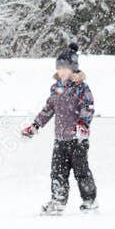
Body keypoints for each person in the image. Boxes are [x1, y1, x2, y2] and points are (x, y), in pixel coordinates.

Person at [20, 42, 98, 214]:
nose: (62, 71)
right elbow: (48, 109)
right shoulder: (56, 89)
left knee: (81, 172)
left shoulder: (81, 87)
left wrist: (83, 123)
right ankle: (58, 201)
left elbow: (88, 106)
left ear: (73, 69)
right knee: (57, 172)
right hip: (60, 140)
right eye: (59, 68)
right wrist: (35, 126)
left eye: (65, 68)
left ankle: (90, 201)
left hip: (78, 139)